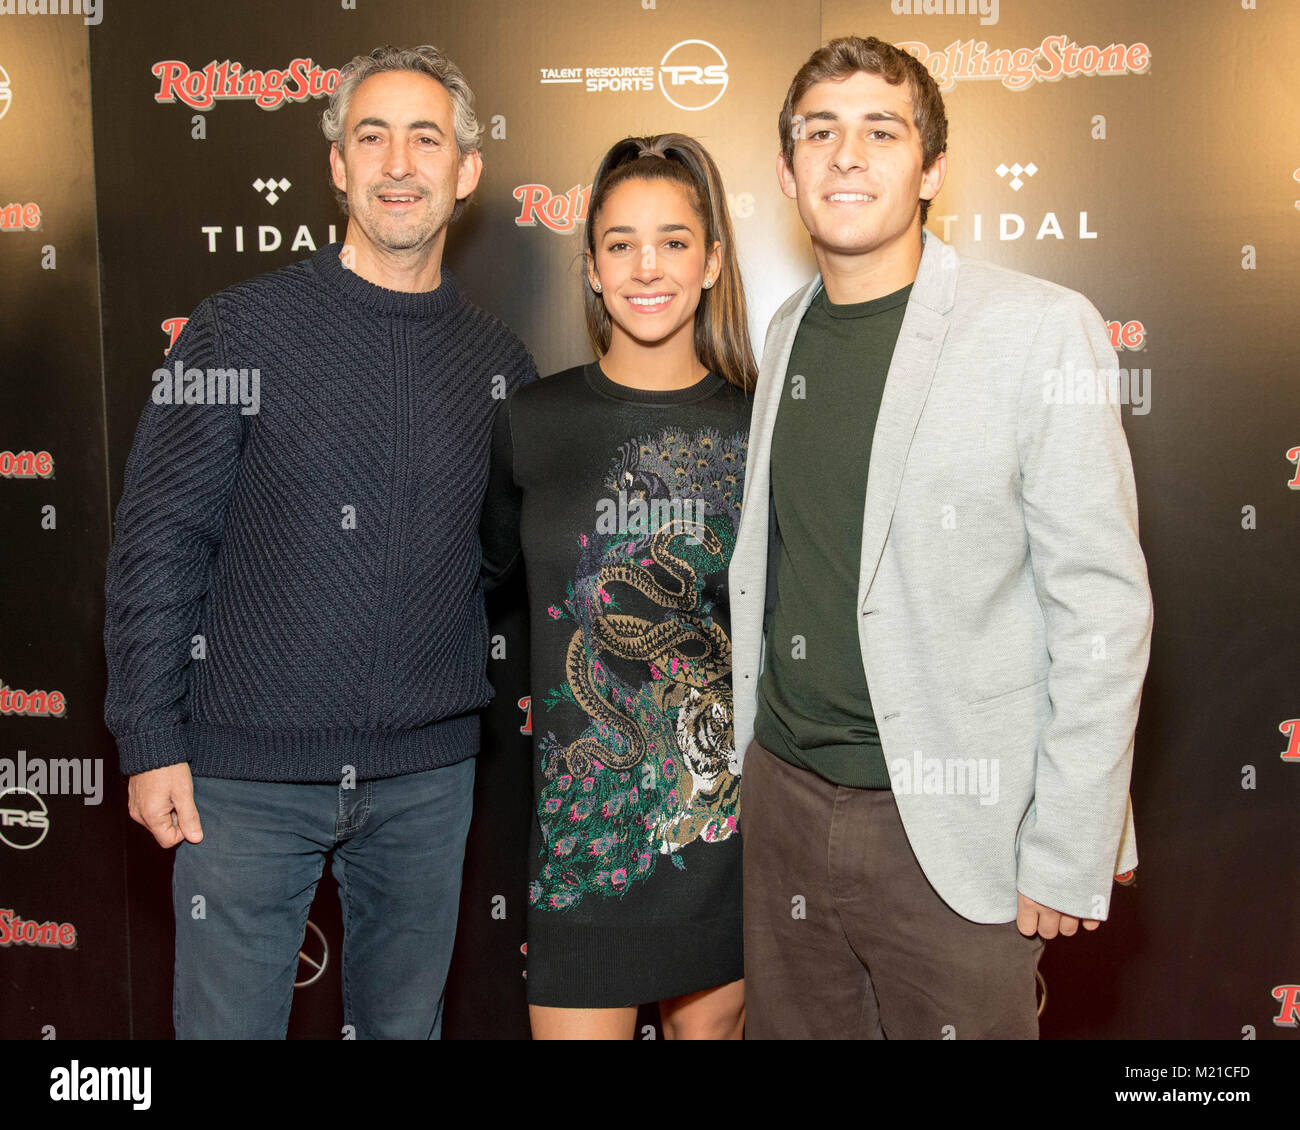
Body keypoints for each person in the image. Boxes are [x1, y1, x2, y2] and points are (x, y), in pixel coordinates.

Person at [103, 44, 537, 1039]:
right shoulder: (233, 332)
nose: (397, 162)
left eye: (425, 139)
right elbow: (158, 540)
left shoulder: (499, 366)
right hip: (242, 780)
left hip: (426, 782)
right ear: (336, 165)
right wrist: (149, 732)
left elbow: (489, 558)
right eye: (369, 136)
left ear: (465, 172)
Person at [729, 35, 1153, 1039]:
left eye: (881, 130)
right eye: (818, 132)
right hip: (784, 807)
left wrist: (1068, 842)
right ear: (786, 170)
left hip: (956, 831)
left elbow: (1101, 603)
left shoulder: (1037, 327)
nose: (846, 155)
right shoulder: (785, 327)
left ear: (931, 168)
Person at [480, 134, 757, 1039]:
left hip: (721, 831)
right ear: (592, 267)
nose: (648, 266)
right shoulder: (532, 422)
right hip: (581, 847)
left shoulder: (761, 429)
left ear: (712, 260)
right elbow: (467, 593)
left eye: (675, 241)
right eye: (621, 243)